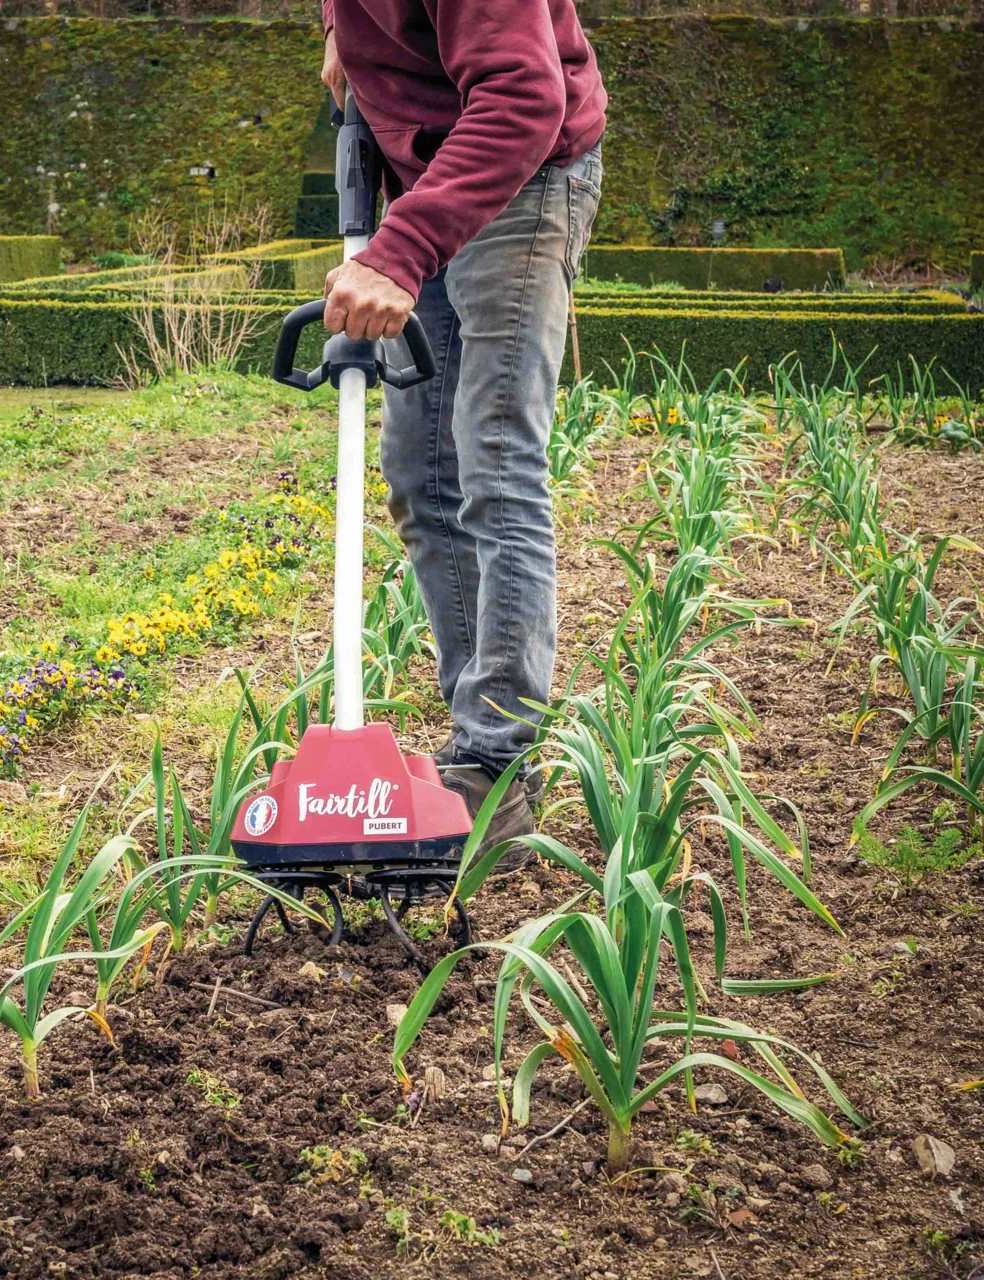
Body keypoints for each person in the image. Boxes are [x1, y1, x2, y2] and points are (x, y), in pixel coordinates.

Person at [319, 0, 607, 856]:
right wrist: (339, 29)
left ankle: (498, 762)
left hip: (520, 167)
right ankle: (472, 742)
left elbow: (524, 96)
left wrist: (398, 253)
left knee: (494, 460)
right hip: (432, 165)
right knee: (421, 474)